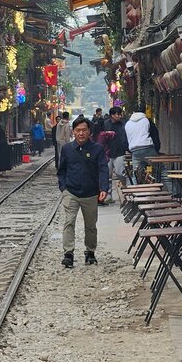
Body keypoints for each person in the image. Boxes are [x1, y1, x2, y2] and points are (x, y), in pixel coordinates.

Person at [58, 116, 109, 268]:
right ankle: (68, 253)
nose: (81, 133)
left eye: (84, 130)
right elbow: (62, 170)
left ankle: (90, 251)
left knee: (91, 225)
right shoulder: (67, 149)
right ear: (73, 132)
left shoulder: (97, 149)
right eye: (78, 130)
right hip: (71, 192)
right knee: (69, 222)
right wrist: (64, 188)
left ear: (89, 132)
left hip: (91, 193)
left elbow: (103, 169)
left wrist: (104, 188)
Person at [125, 102, 161, 182]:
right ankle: (173, 191)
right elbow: (155, 135)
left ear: (133, 112)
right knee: (160, 170)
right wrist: (157, 150)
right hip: (148, 148)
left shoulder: (128, 124)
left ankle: (135, 192)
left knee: (136, 174)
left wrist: (130, 150)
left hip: (135, 151)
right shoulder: (147, 121)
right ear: (145, 111)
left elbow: (125, 140)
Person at [102, 106, 128, 200]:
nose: (119, 116)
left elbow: (126, 136)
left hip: (120, 152)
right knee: (107, 175)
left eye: (120, 114)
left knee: (120, 172)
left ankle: (125, 188)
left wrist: (125, 146)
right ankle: (108, 195)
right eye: (118, 114)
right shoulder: (105, 124)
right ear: (112, 115)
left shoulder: (123, 124)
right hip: (107, 153)